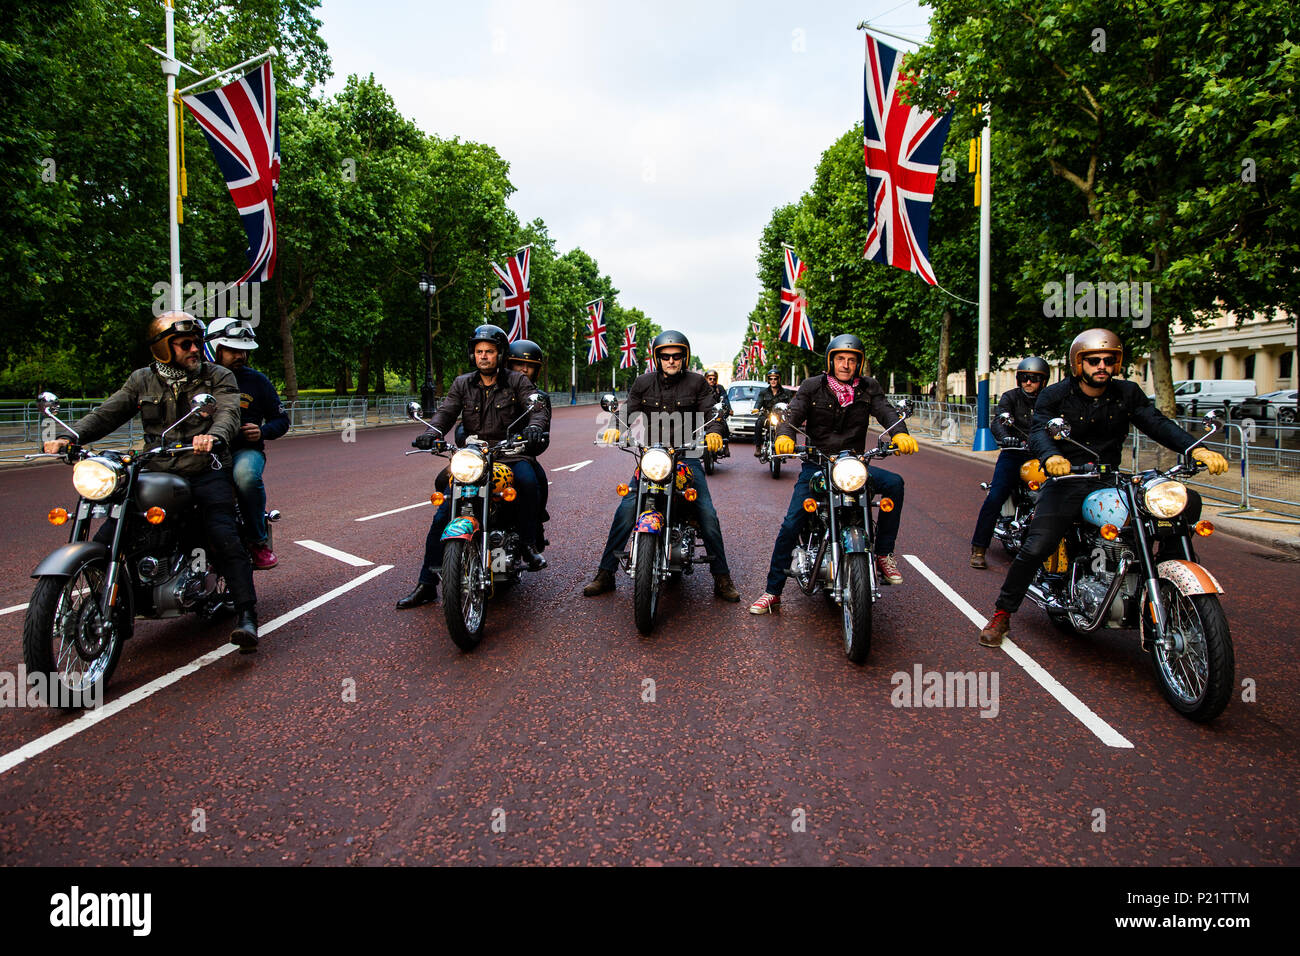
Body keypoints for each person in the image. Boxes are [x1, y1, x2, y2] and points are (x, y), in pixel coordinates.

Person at [978, 328, 1229, 646]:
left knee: (1184, 503)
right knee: (1036, 546)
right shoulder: (1055, 394)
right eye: (1093, 360)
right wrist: (1052, 456)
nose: (1101, 365)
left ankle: (1171, 581)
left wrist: (1196, 449)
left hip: (1112, 479)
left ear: (1117, 363)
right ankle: (1002, 613)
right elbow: (1041, 429)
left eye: (1109, 360)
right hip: (1069, 480)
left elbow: (1157, 422)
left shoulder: (1127, 393)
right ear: (1077, 363)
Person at [43, 311, 260, 649]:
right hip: (155, 467)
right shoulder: (142, 380)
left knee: (223, 533)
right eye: (184, 344)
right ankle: (118, 600)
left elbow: (229, 413)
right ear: (162, 348)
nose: (194, 349)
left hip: (204, 466)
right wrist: (70, 437)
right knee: (109, 530)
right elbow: (107, 413)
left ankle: (247, 614)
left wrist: (214, 436)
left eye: (197, 342)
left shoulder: (217, 376)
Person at [748, 333, 918, 614]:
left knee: (895, 484)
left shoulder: (868, 387)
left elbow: (886, 412)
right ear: (831, 361)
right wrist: (785, 435)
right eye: (841, 359)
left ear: (859, 364)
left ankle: (883, 554)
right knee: (791, 523)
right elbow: (793, 414)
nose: (846, 364)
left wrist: (899, 433)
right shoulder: (812, 386)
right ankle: (772, 591)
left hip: (854, 465)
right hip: (818, 465)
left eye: (852, 360)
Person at [397, 325, 548, 609]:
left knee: (528, 482)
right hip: (474, 456)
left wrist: (535, 429)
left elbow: (536, 410)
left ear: (500, 354)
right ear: (473, 355)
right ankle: (427, 584)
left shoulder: (517, 381)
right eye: (479, 352)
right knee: (443, 510)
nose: (484, 356)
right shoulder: (462, 383)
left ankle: (528, 544)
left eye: (489, 351)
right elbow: (445, 413)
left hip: (510, 454)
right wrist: (432, 432)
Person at [582, 330, 740, 602]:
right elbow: (626, 411)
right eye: (665, 356)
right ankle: (605, 573)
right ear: (657, 358)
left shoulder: (698, 383)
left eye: (676, 356)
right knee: (627, 508)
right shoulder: (643, 383)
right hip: (653, 457)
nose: (671, 360)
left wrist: (714, 431)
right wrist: (614, 428)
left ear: (684, 357)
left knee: (707, 513)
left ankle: (722, 577)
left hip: (687, 457)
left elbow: (712, 412)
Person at [205, 318, 289, 570]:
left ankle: (257, 541)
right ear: (214, 347)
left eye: (243, 351)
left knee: (246, 476)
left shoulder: (257, 381)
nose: (240, 355)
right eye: (232, 350)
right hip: (203, 451)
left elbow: (281, 420)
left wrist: (261, 431)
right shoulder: (197, 380)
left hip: (245, 450)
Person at [969, 356, 1048, 569]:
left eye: (1033, 378)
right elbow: (999, 420)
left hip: (1042, 455)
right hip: (1014, 452)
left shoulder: (1049, 400)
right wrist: (1005, 437)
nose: (1028, 382)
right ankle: (979, 548)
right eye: (1024, 378)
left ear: (1043, 381)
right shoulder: (1010, 397)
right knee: (996, 496)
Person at [506, 338, 552, 548]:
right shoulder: (494, 388)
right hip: (488, 453)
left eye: (530, 366)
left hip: (521, 453)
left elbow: (543, 429)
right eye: (518, 364)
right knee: (444, 482)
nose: (524, 369)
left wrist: (533, 436)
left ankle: (534, 529)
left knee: (536, 482)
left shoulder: (539, 397)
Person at [754, 368, 788, 457]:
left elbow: (791, 404)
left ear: (779, 379)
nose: (773, 381)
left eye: (775, 378)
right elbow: (758, 402)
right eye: (771, 379)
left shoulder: (786, 392)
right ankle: (758, 447)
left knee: (789, 426)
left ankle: (790, 447)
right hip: (767, 416)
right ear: (768, 380)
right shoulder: (763, 392)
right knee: (758, 423)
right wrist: (756, 409)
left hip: (780, 417)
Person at [702, 369, 731, 455]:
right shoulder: (701, 389)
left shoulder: (720, 388)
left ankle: (726, 445)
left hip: (717, 414)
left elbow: (725, 399)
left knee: (724, 425)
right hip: (703, 413)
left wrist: (728, 409)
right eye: (710, 379)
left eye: (714, 379)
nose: (712, 381)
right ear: (706, 379)